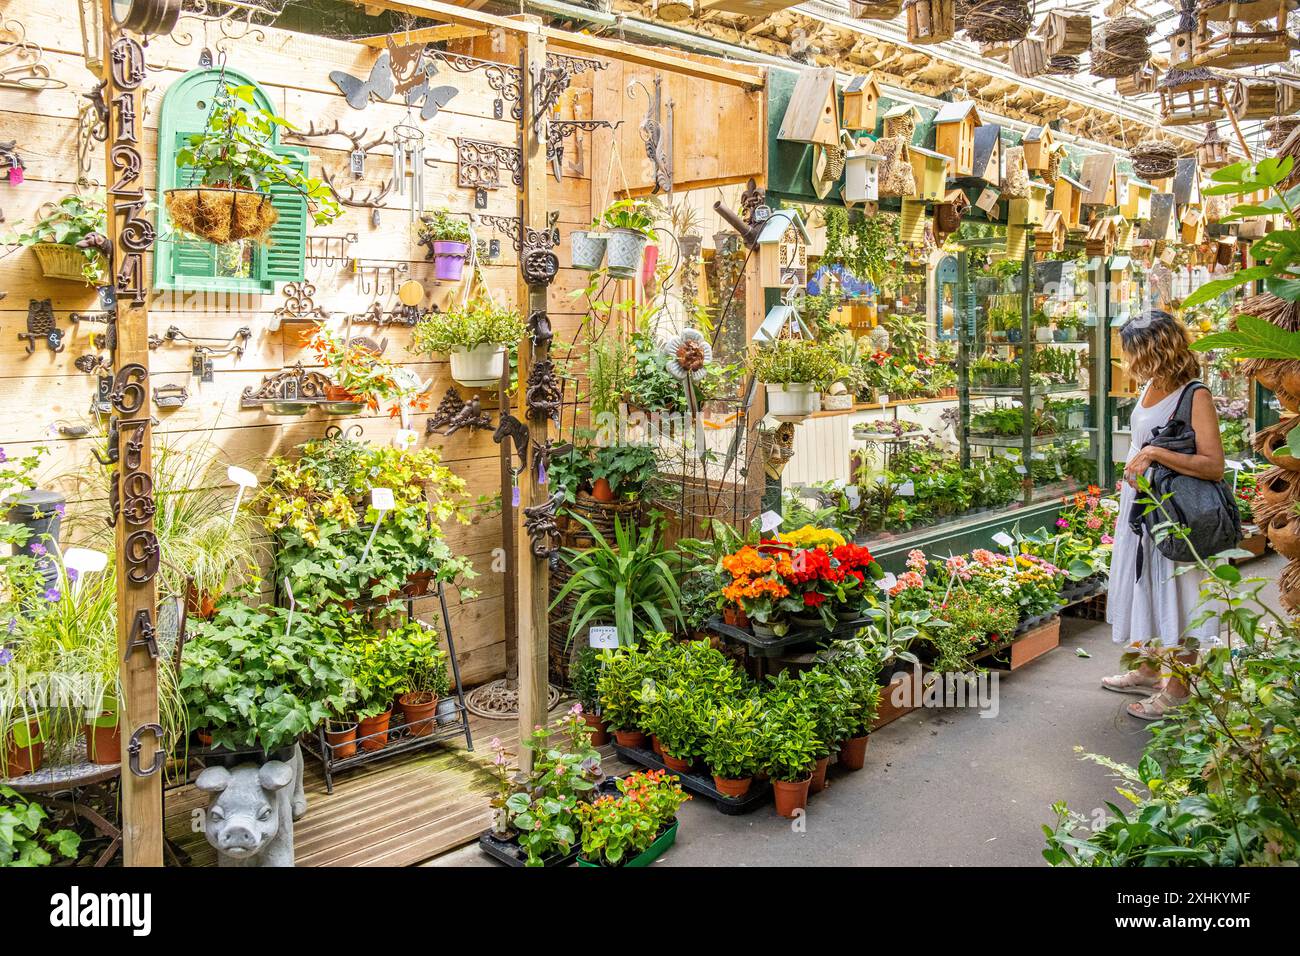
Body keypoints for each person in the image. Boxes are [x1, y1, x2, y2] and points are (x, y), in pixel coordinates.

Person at [1102, 310, 1225, 720]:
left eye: (1130, 350)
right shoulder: (1151, 386)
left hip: (1175, 513)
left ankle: (1178, 690)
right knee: (1149, 587)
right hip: (1143, 508)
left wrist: (1153, 453)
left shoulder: (1195, 394)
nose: (1126, 358)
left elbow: (1213, 465)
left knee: (1180, 591)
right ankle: (1149, 669)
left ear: (1153, 350)